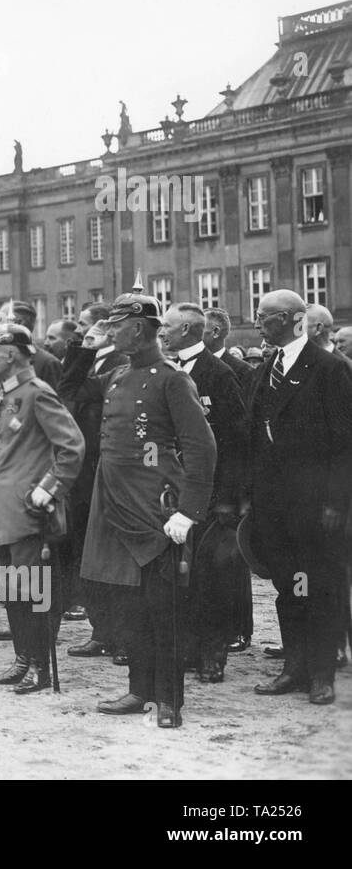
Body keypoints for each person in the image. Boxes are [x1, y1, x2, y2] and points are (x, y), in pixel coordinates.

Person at [80, 289, 216, 728]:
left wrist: (189, 511)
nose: (108, 332)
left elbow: (201, 447)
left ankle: (169, 700)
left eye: (115, 325)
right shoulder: (118, 376)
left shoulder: (172, 379)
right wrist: (78, 351)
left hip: (157, 510)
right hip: (117, 504)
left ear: (138, 327)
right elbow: (70, 392)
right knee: (129, 606)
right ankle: (140, 690)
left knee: (164, 609)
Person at [247, 290, 352, 706]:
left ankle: (322, 672)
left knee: (320, 585)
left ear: (292, 319)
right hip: (274, 502)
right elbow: (255, 435)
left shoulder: (329, 368)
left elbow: (345, 442)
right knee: (288, 584)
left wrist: (335, 502)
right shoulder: (266, 368)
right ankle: (294, 666)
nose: (258, 324)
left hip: (316, 502)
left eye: (265, 317)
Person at [0, 324, 84, 693]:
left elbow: (72, 447)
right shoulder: (3, 393)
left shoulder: (37, 394)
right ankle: (22, 659)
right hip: (2, 507)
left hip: (28, 508)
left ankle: (39, 665)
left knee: (31, 590)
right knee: (11, 588)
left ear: (13, 353)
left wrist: (49, 490)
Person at [159, 303, 248, 681]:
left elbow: (238, 441)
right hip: (175, 491)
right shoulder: (166, 372)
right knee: (181, 576)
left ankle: (214, 653)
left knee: (213, 578)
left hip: (213, 495)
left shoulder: (219, 373)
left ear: (188, 331)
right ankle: (189, 649)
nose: (161, 333)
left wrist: (230, 498)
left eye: (167, 327)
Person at [58, 304, 129, 659]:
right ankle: (102, 631)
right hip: (86, 472)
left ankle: (120, 634)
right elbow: (68, 387)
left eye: (89, 330)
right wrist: (84, 350)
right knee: (91, 554)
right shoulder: (99, 361)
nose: (82, 335)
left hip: (111, 469)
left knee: (113, 556)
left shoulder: (123, 363)